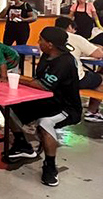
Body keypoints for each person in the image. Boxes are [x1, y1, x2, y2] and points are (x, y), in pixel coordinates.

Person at [7, 27, 82, 186]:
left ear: (50, 44)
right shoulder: (46, 55)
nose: (38, 42)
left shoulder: (65, 62)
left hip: (66, 107)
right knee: (10, 107)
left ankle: (50, 165)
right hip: (46, 101)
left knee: (45, 123)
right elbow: (38, 81)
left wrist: (16, 78)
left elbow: (43, 85)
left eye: (40, 39)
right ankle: (22, 145)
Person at [54, 16, 103, 122]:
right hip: (74, 79)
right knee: (100, 79)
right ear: (69, 27)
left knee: (93, 76)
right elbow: (98, 54)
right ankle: (92, 112)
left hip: (52, 76)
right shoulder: (75, 38)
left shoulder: (48, 36)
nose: (74, 31)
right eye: (73, 28)